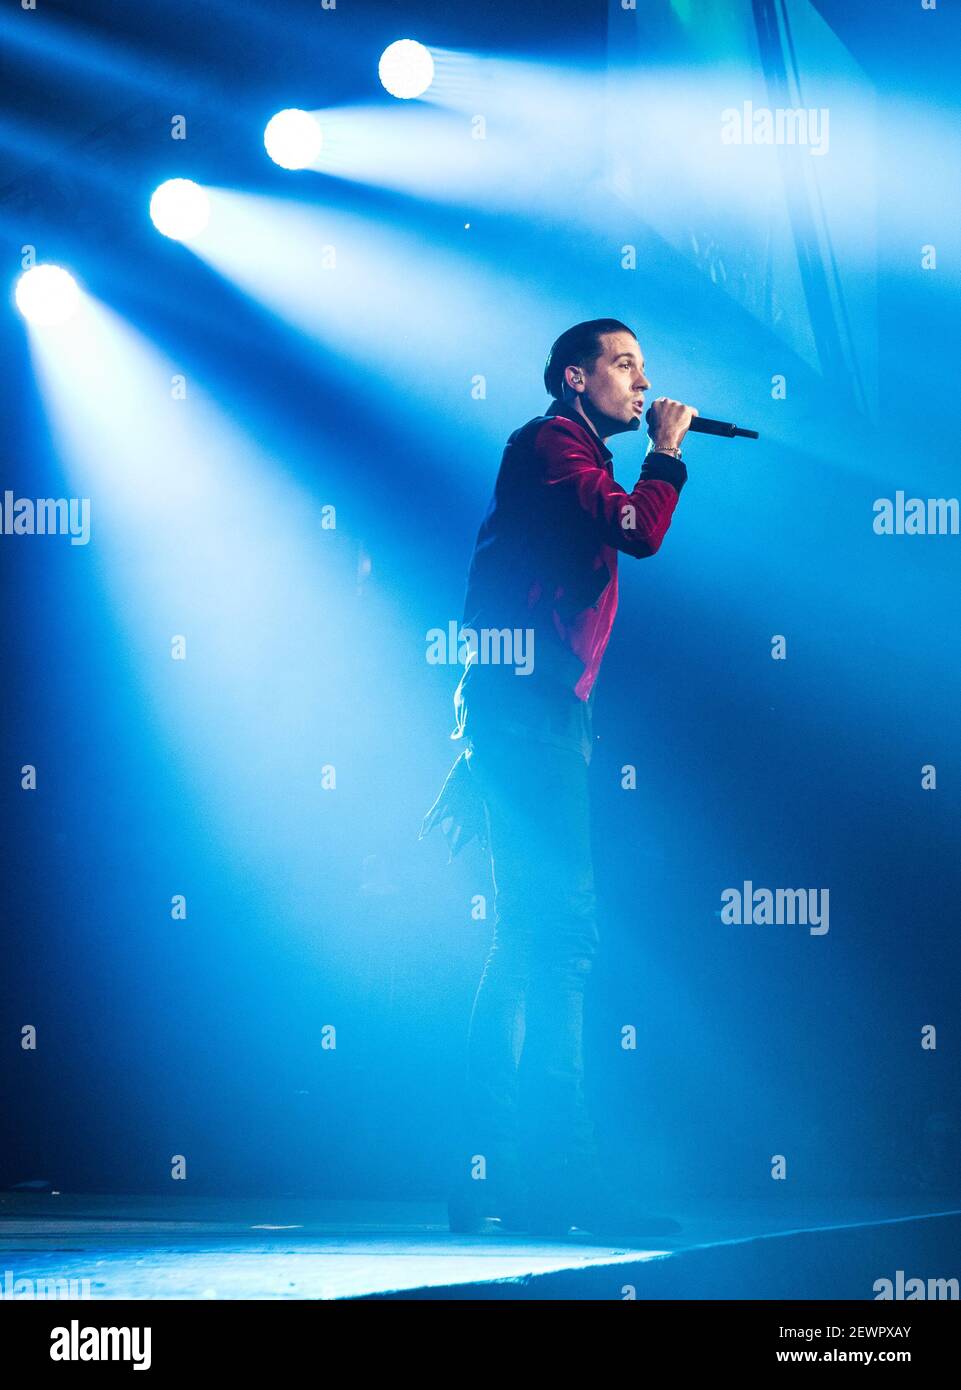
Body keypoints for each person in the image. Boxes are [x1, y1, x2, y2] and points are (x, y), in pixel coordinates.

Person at [421, 319, 696, 1236]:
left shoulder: (559, 456)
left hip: (526, 716)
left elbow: (492, 589)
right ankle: (558, 1175)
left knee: (524, 939)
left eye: (643, 369)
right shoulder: (549, 444)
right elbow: (639, 532)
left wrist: (473, 743)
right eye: (624, 365)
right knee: (562, 939)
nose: (640, 380)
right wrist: (665, 455)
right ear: (574, 378)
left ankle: (489, 1175)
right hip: (532, 716)